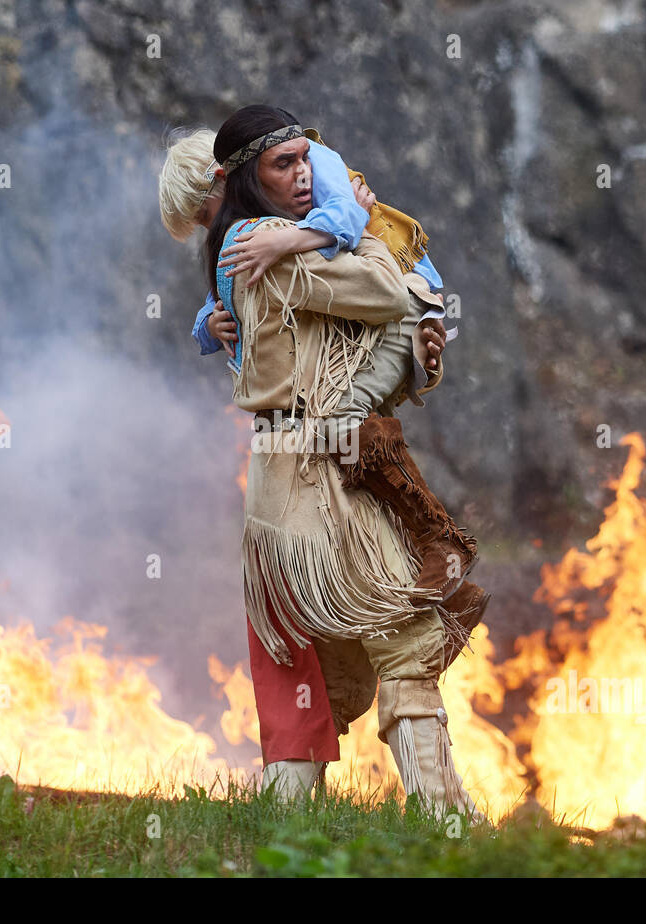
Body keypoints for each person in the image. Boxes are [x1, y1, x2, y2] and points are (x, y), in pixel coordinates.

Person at [205, 104, 484, 818]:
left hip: (302, 470)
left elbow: (356, 344)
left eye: (307, 159)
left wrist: (417, 357)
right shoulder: (266, 239)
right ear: (245, 177)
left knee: (318, 667)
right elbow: (387, 292)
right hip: (310, 473)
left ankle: (282, 824)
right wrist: (353, 219)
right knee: (408, 633)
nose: (303, 176)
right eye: (283, 164)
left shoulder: (267, 239)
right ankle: (445, 822)